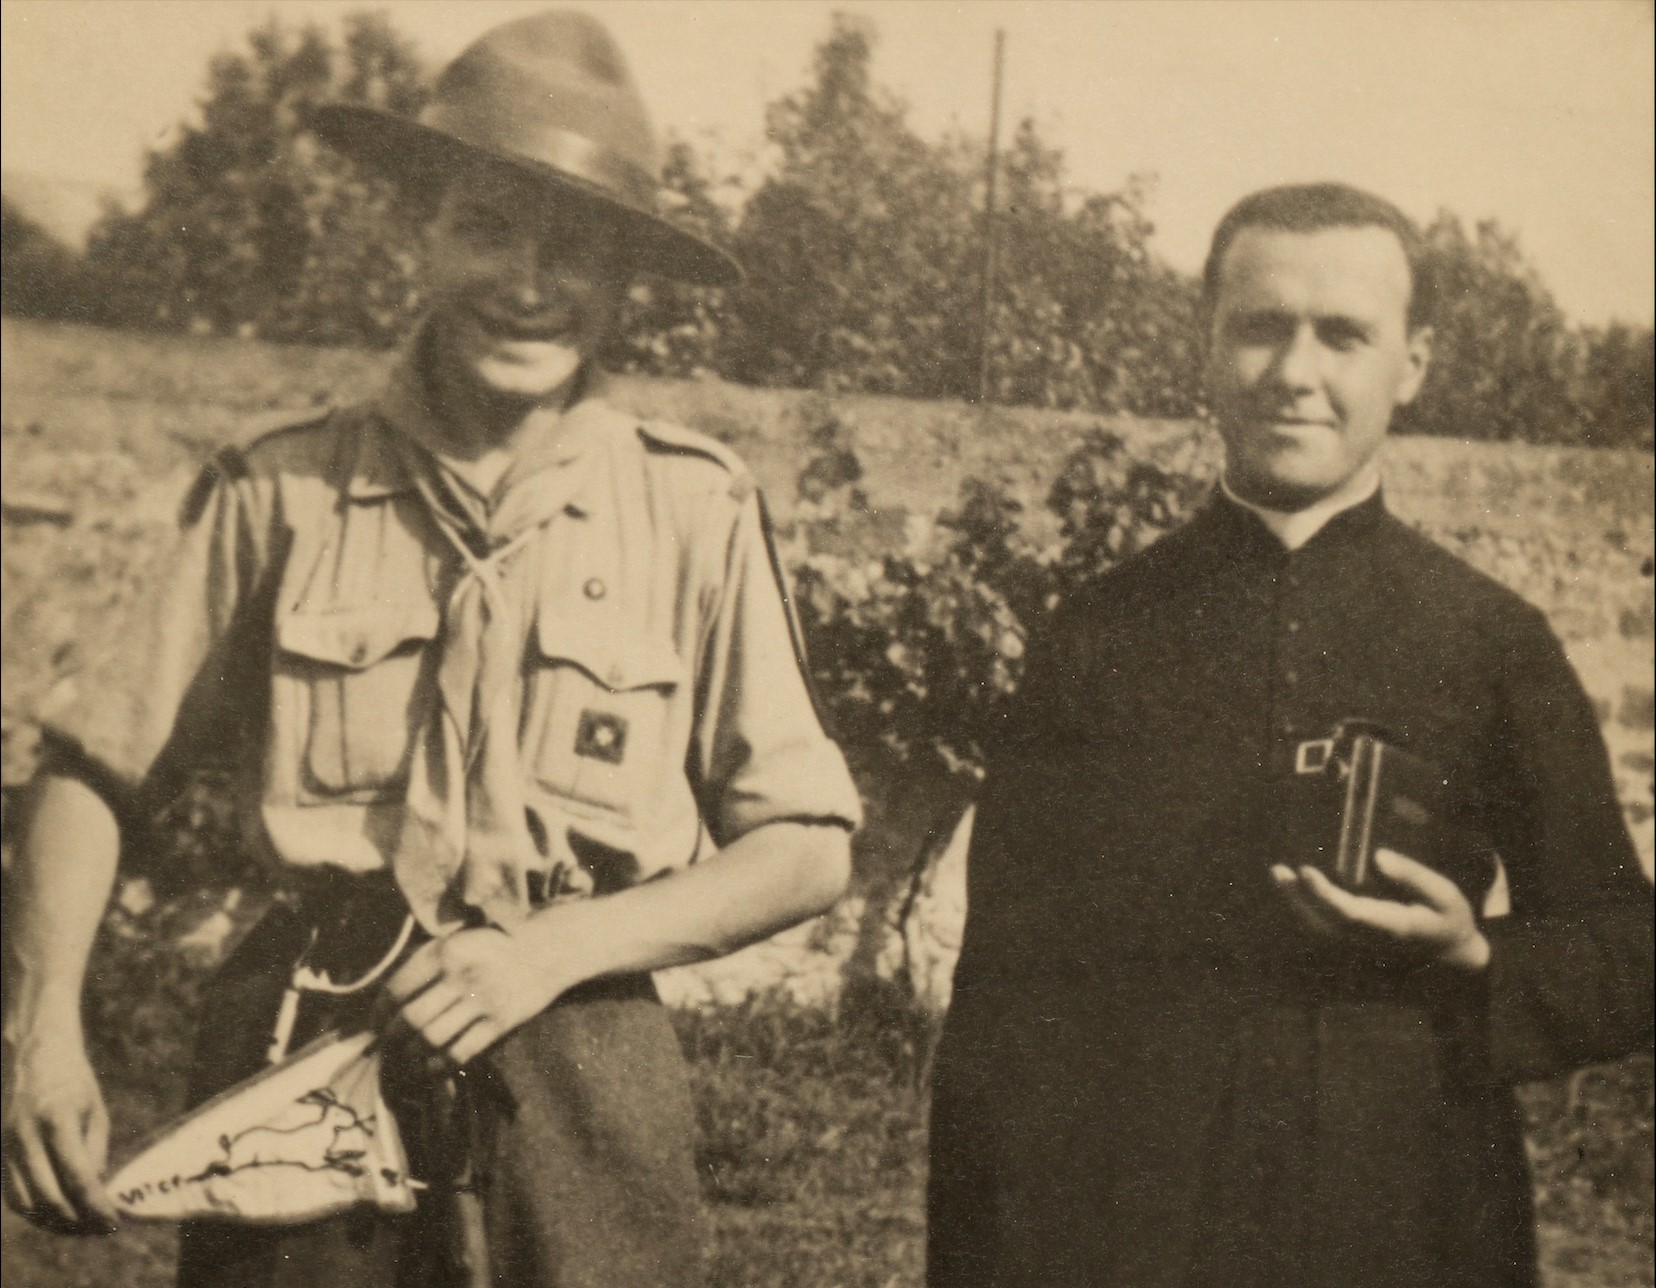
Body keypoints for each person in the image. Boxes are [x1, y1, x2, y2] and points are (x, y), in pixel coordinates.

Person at [2, 11, 860, 1287]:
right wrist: (43, 1028)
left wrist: (556, 949)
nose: (527, 280)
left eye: (573, 247)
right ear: (421, 232)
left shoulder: (695, 510)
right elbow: (92, 764)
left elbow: (804, 847)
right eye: (487, 226)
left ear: (626, 280)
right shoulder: (276, 489)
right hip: (304, 1059)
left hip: (582, 1080)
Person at [926, 182, 1653, 1288]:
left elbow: (1623, 947)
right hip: (1130, 1222)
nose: (1296, 373)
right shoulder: (1098, 637)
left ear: (1412, 363)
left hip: (1408, 1211)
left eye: (1345, 335)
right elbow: (1002, 1009)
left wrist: (1475, 955)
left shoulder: (1493, 639)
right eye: (1262, 327)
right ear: (1206, 348)